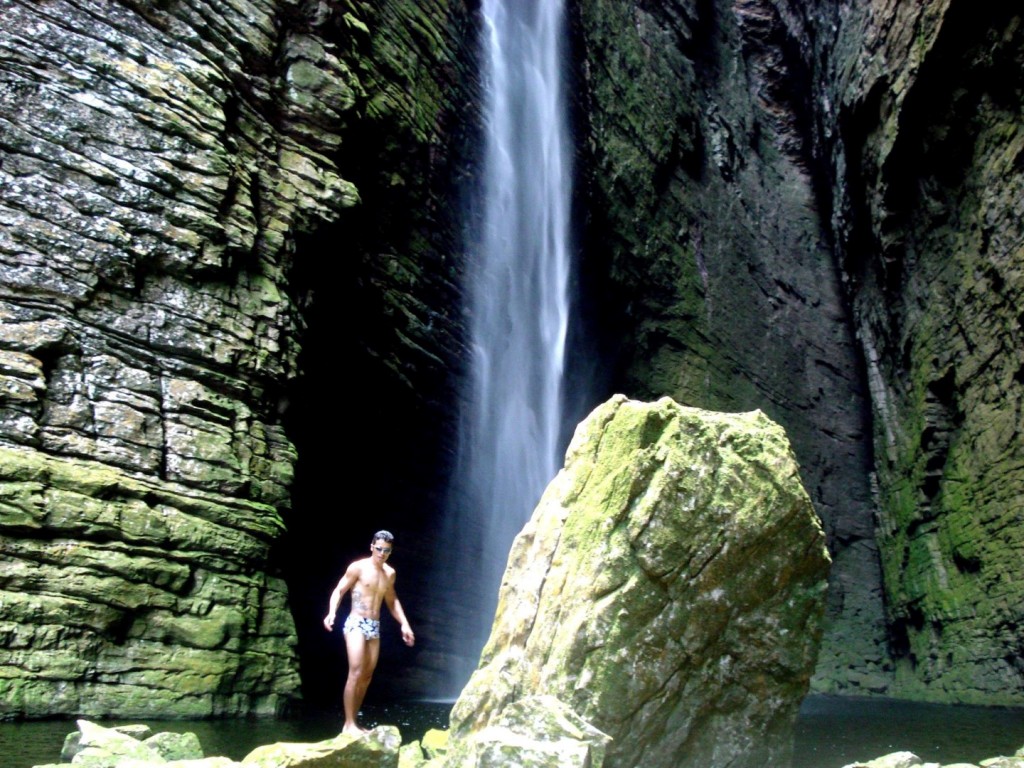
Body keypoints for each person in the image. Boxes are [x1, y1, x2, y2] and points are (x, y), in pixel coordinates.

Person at [323, 530, 415, 736]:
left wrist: (405, 624)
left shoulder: (389, 573)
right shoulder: (358, 568)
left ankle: (354, 722)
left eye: (387, 550)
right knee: (355, 671)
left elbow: (392, 601)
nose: (382, 553)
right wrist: (331, 613)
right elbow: (339, 590)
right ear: (371, 546)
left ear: (391, 551)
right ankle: (347, 725)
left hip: (374, 626)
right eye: (379, 548)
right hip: (356, 622)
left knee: (366, 676)